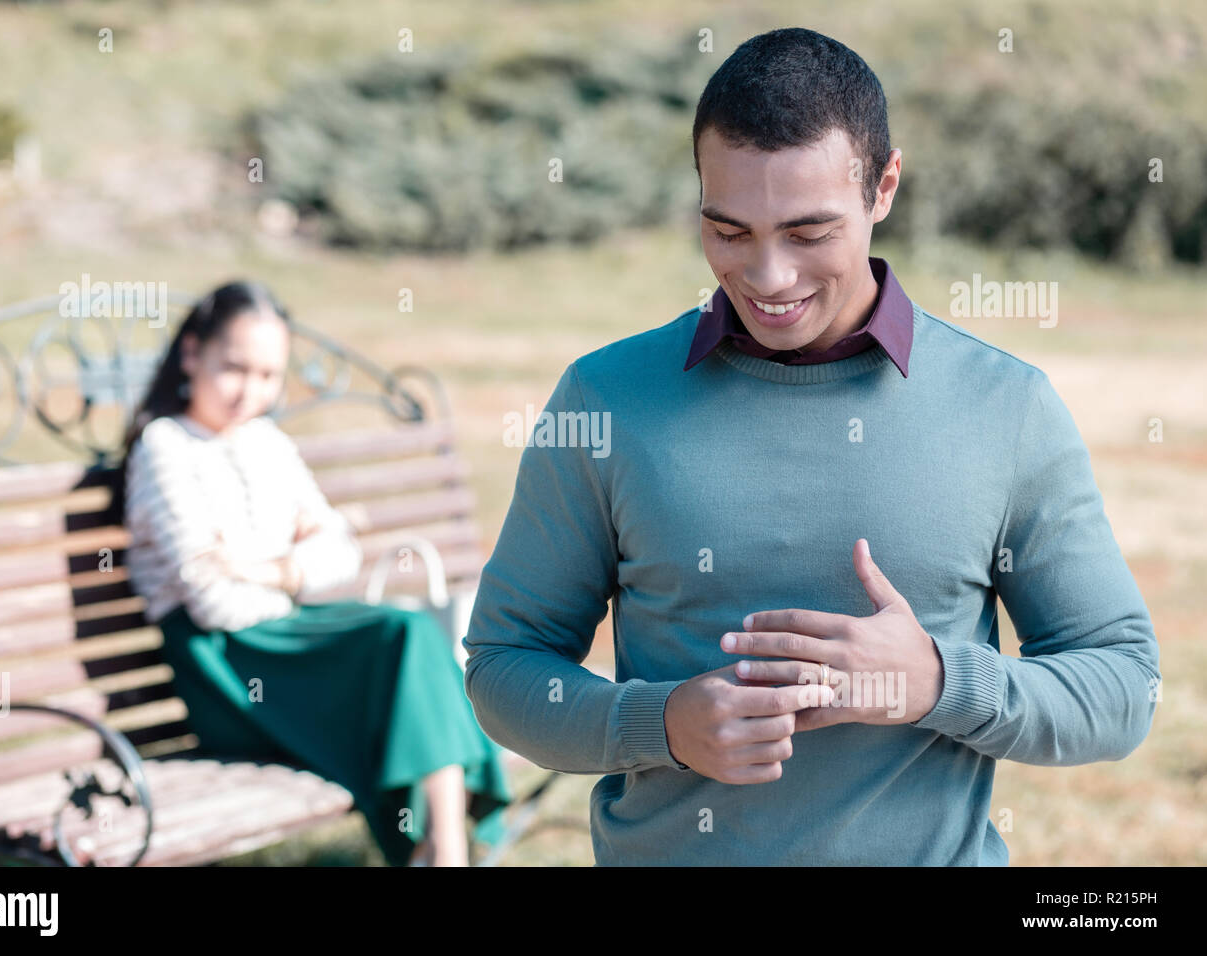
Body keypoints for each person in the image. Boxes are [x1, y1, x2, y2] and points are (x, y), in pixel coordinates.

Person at [461, 28, 1160, 865]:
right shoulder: (605, 400)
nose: (767, 276)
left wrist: (940, 683)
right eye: (728, 230)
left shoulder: (1006, 408)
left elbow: (1124, 689)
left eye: (808, 232)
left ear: (884, 186)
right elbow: (504, 668)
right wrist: (664, 725)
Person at [114, 279, 512, 867]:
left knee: (405, 634)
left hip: (288, 642)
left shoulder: (265, 442)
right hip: (229, 669)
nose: (249, 392)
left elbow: (341, 556)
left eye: (269, 376)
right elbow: (216, 605)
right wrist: (293, 564)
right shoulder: (165, 448)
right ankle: (444, 852)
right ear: (193, 353)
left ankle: (441, 849)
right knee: (399, 639)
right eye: (234, 368)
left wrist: (259, 565)